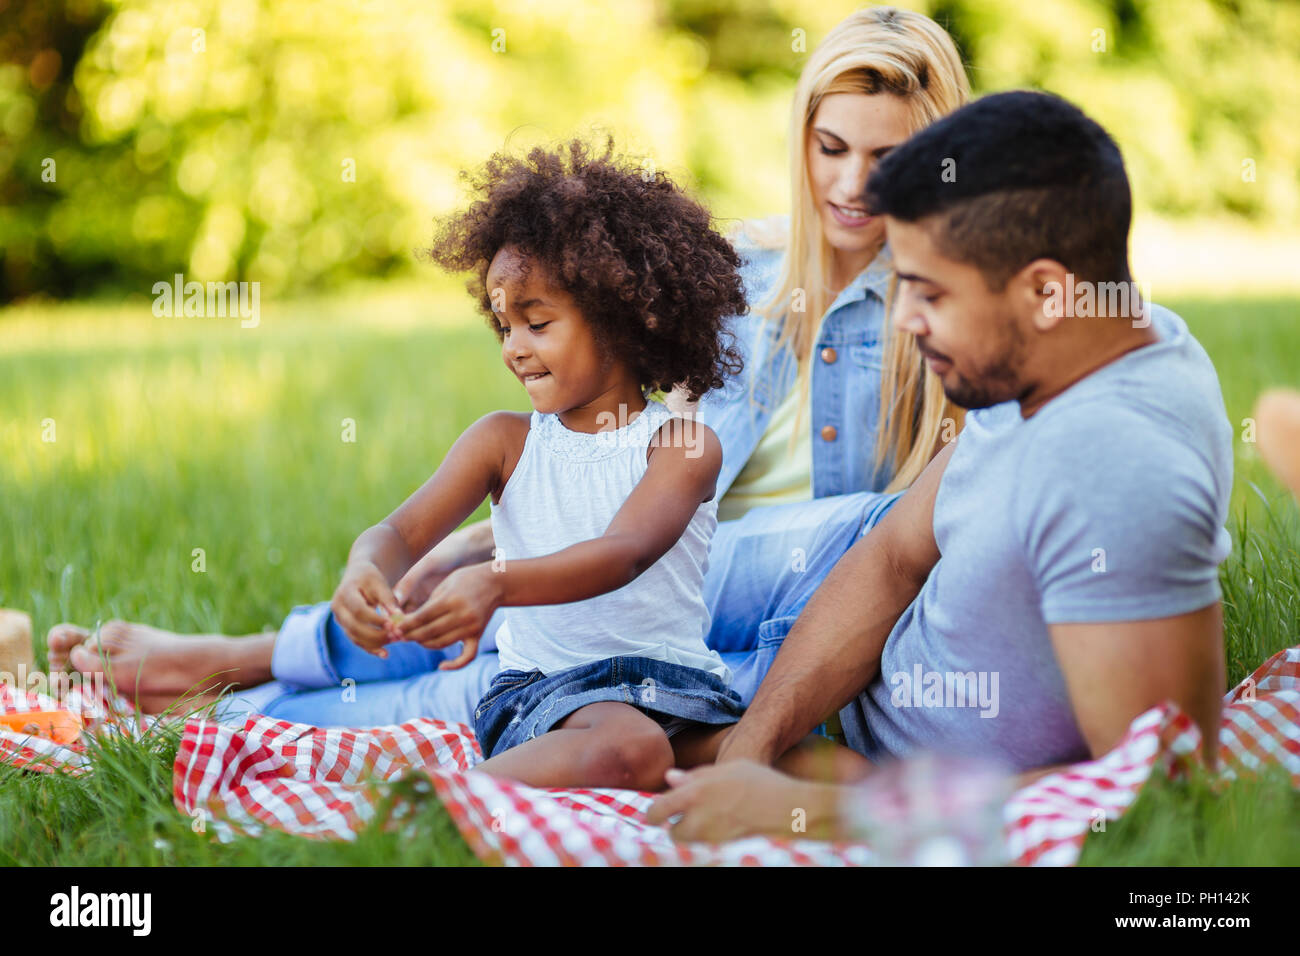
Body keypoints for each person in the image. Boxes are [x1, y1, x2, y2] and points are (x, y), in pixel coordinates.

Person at [47, 7, 971, 730]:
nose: (851, 185)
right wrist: (484, 549)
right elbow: (615, 457)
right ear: (802, 143)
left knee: (558, 677)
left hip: (788, 594)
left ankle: (237, 683)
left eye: (889, 159)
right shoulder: (742, 272)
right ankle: (239, 673)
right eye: (832, 148)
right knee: (495, 630)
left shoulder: (952, 313)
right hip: (663, 558)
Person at [647, 90, 1235, 841]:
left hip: (870, 770)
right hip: (825, 677)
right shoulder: (1076, 349)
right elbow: (893, 556)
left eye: (928, 293)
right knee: (556, 633)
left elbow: (1159, 790)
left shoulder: (1115, 466)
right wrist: (751, 752)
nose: (901, 320)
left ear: (1047, 291)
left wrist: (821, 814)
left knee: (527, 699)